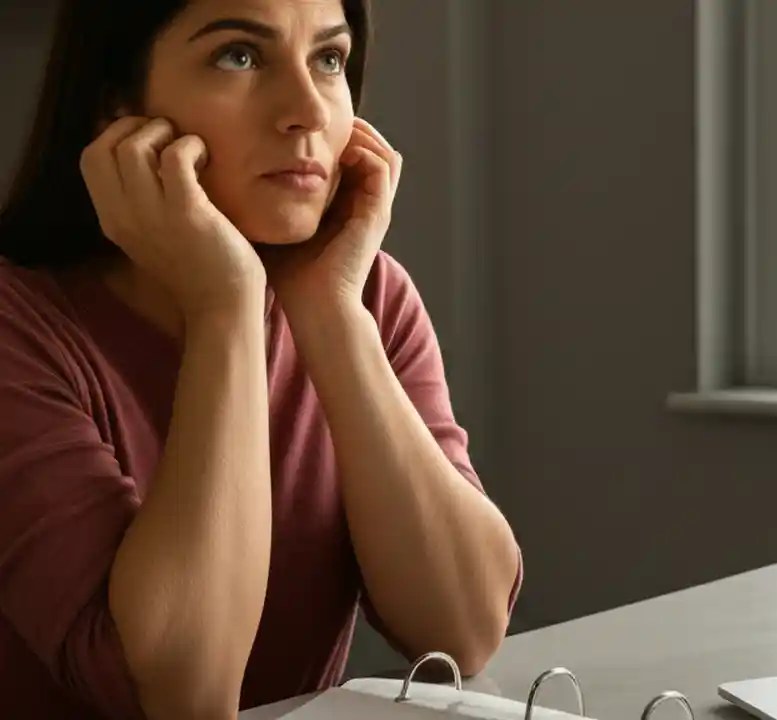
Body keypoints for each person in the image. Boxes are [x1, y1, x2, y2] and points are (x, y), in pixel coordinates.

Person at [0, 0, 523, 717]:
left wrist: (333, 317)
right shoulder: (17, 327)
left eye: (329, 60)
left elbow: (462, 630)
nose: (306, 110)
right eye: (239, 56)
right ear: (117, 107)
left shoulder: (363, 293)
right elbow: (186, 694)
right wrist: (226, 307)